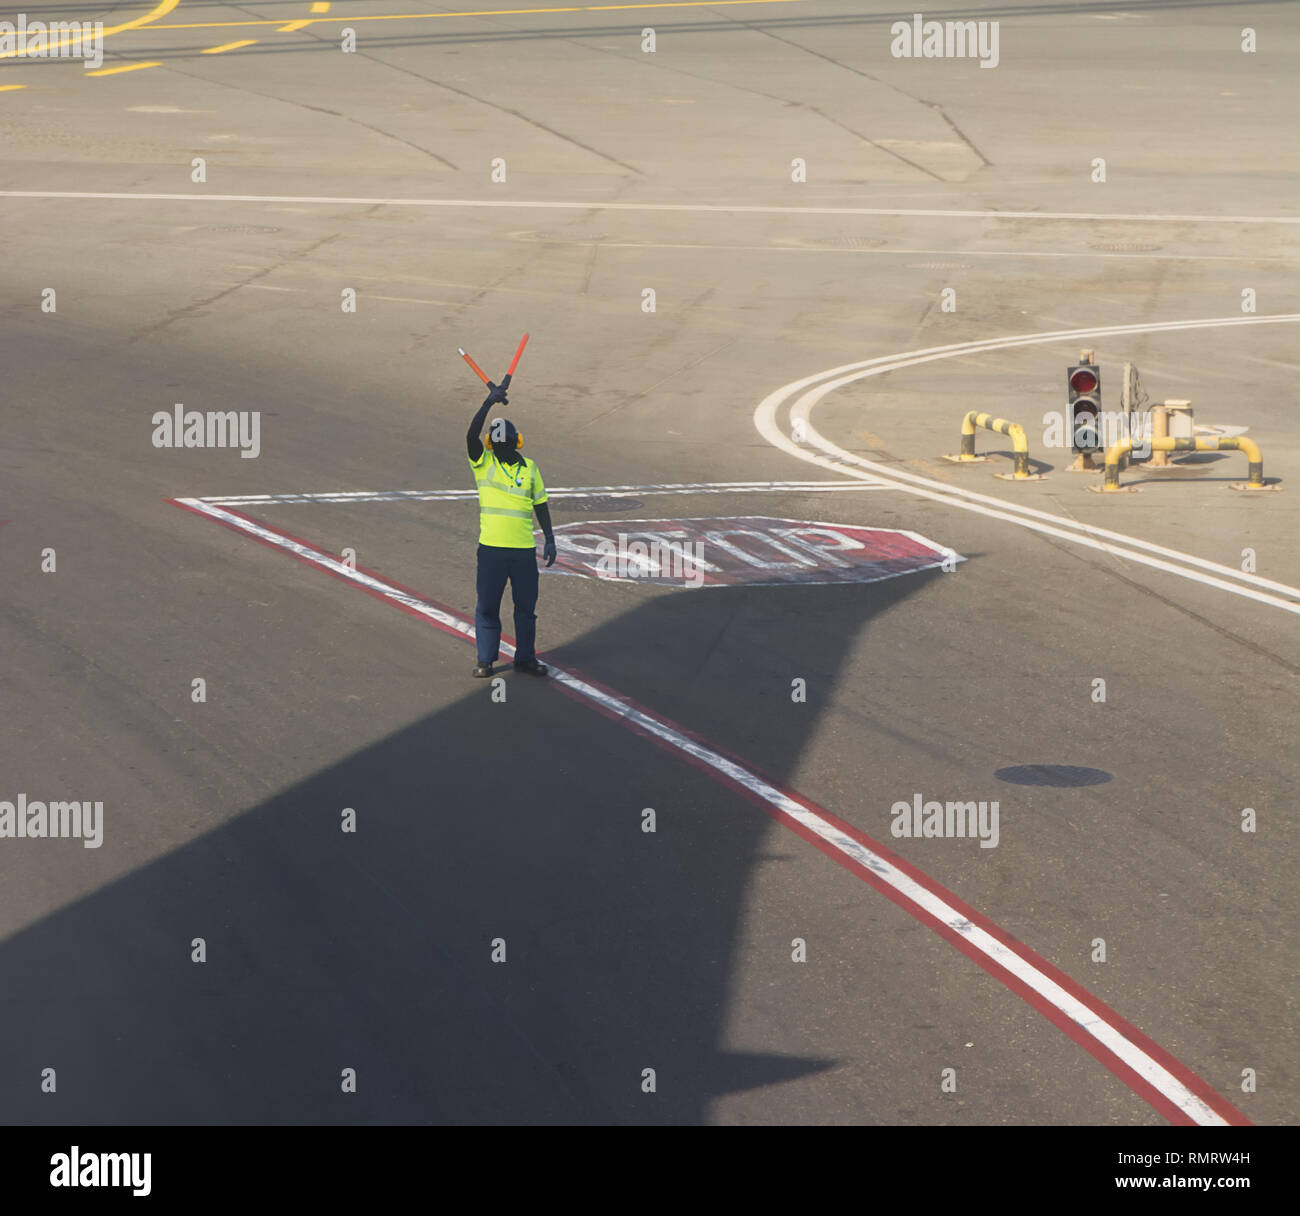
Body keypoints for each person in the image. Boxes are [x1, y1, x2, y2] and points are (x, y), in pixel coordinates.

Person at [466, 380, 556, 678]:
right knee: (489, 605)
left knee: (525, 608)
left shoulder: (529, 468)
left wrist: (550, 539)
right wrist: (487, 404)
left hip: (522, 552)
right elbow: (470, 435)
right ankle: (486, 659)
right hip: (492, 549)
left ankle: (524, 658)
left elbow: (540, 503)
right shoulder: (483, 463)